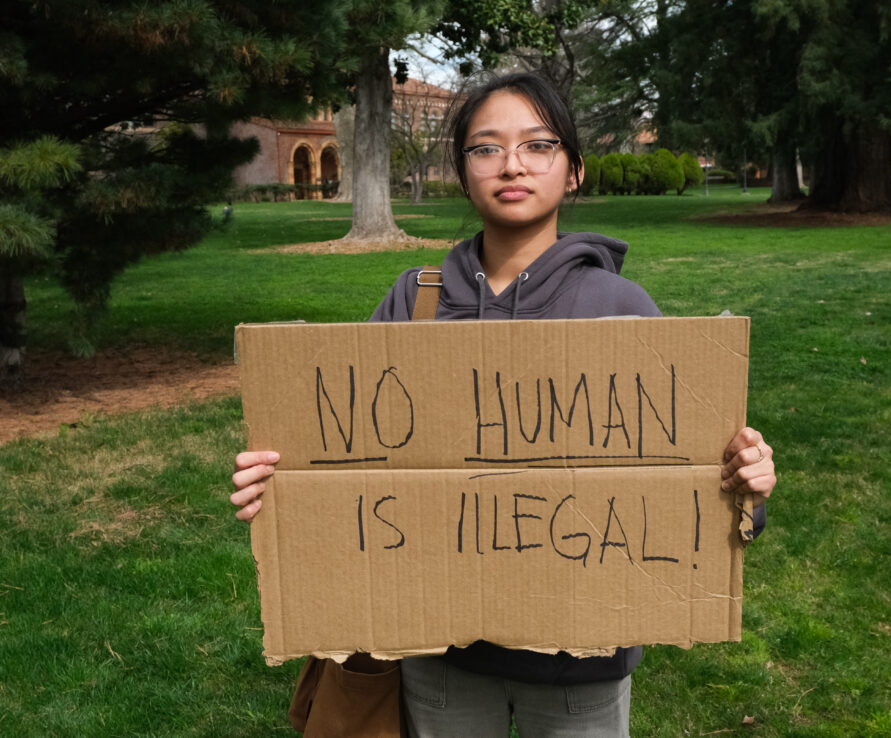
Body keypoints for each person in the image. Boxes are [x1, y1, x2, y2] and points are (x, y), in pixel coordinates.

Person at [231, 72, 777, 737]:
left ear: (573, 171)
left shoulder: (622, 312)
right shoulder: (415, 303)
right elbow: (344, 463)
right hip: (442, 661)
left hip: (583, 667)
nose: (512, 164)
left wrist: (745, 489)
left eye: (538, 145)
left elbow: (681, 491)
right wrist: (280, 487)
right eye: (486, 148)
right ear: (463, 172)